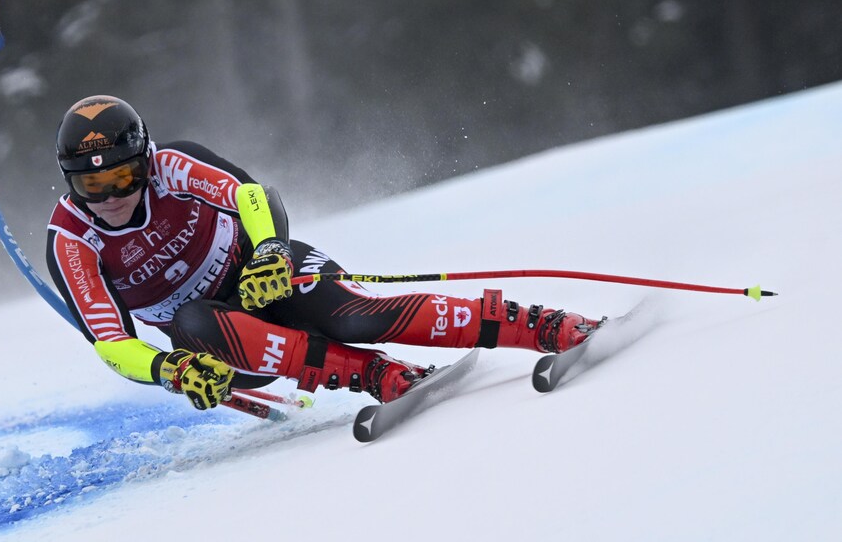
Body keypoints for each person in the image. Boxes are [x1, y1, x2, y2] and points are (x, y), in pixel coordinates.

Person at [44, 95, 601, 411]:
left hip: (265, 280)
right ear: (71, 183)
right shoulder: (71, 242)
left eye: (124, 176)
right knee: (193, 316)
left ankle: (540, 325)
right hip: (221, 348)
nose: (112, 197)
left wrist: (269, 253)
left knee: (356, 316)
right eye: (92, 187)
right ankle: (377, 377)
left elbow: (253, 196)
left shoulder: (175, 165)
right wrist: (171, 369)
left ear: (147, 159)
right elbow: (112, 345)